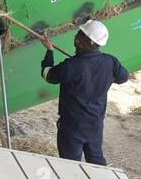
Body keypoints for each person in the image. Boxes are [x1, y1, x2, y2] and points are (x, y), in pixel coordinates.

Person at [40, 19, 129, 165]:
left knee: (71, 164)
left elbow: (47, 74)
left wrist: (49, 51)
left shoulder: (71, 66)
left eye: (80, 34)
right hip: (95, 124)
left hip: (72, 127)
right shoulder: (110, 62)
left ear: (89, 42)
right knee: (96, 161)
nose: (76, 36)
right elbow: (123, 77)